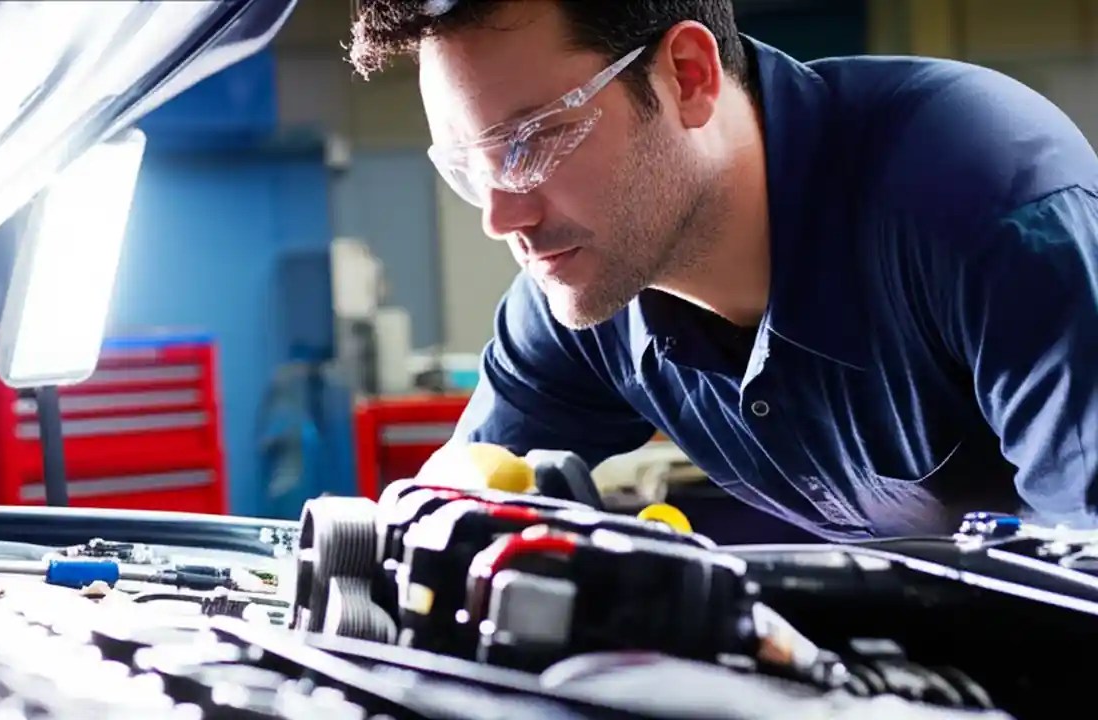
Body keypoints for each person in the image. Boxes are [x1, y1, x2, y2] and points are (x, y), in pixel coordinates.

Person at [347, 0, 1098, 539]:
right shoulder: (578, 299)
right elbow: (445, 515)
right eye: (470, 170)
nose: (502, 218)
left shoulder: (981, 197)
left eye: (531, 143)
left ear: (688, 74)